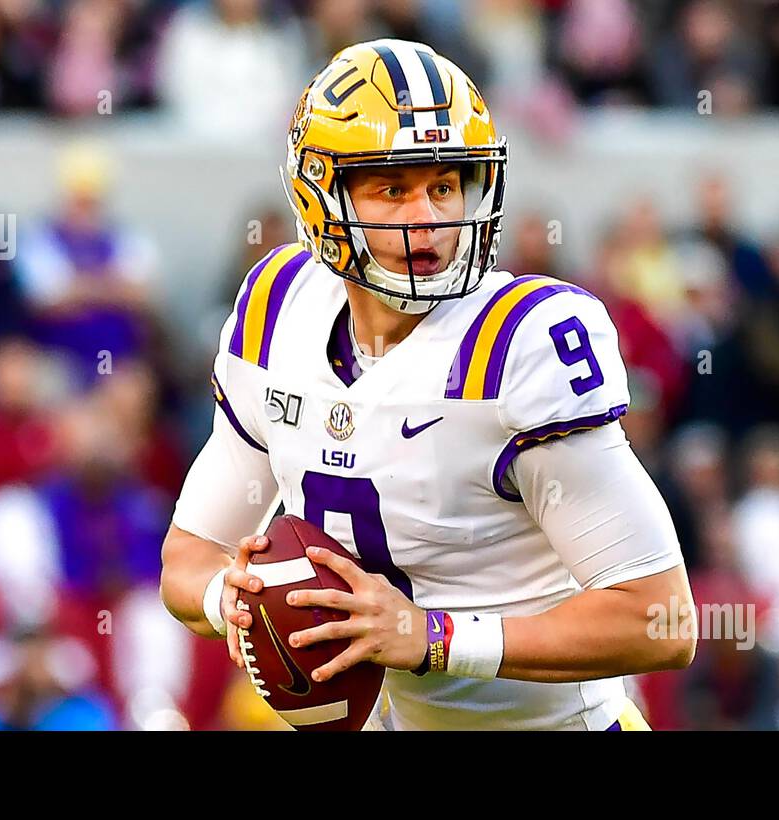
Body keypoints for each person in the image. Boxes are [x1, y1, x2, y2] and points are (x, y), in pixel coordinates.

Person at [160, 39, 695, 731]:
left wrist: (433, 637)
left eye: (444, 185)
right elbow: (188, 559)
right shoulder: (277, 309)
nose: (430, 218)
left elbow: (662, 618)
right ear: (320, 193)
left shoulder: (518, 344)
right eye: (393, 188)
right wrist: (228, 600)